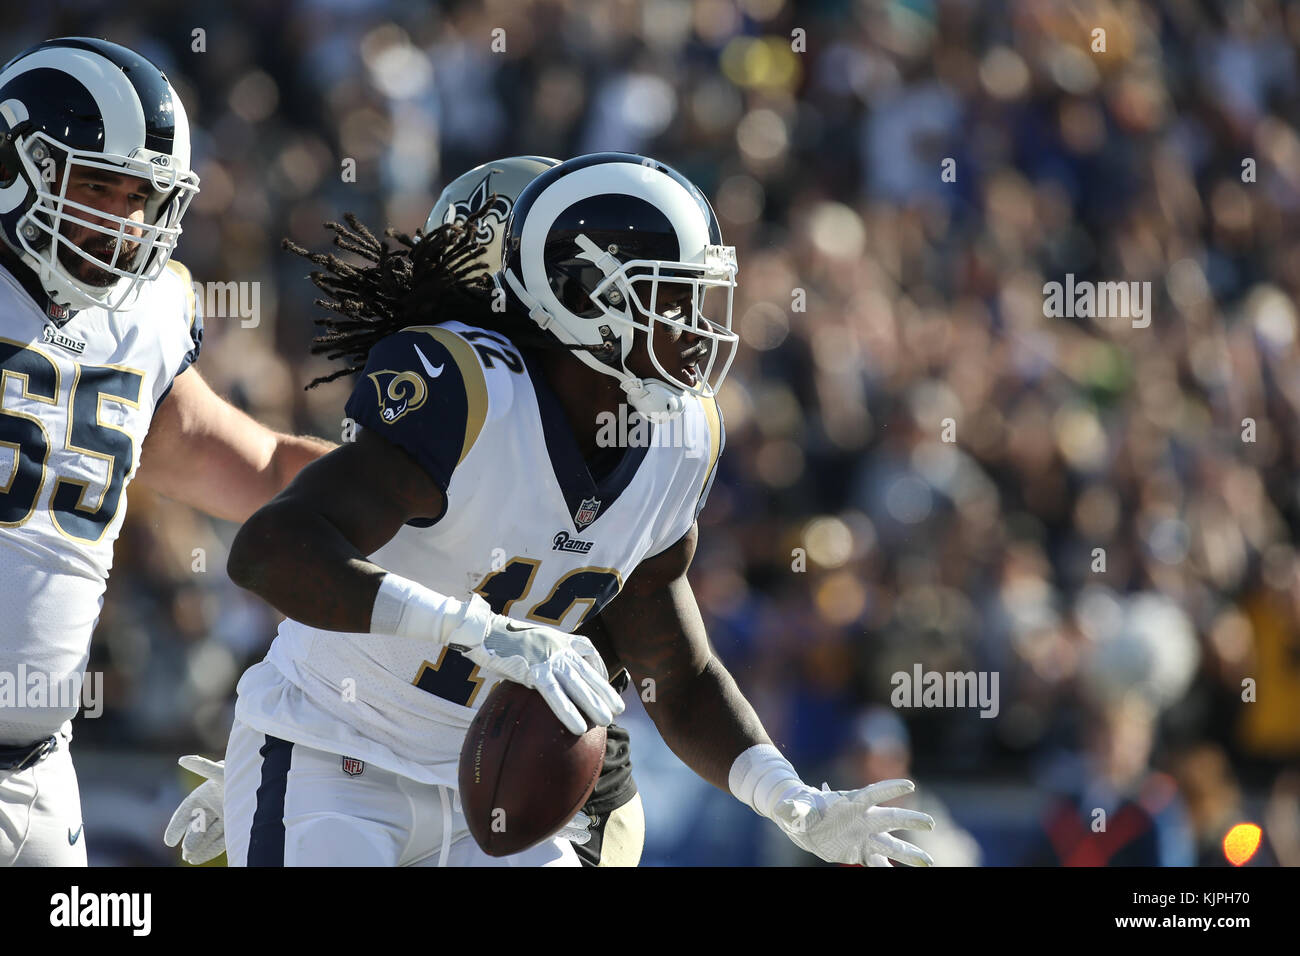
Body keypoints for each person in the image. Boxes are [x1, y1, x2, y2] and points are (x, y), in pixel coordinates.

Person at [211, 150, 936, 867]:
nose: (697, 326)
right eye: (670, 298)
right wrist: (477, 632)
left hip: (489, 792)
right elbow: (269, 550)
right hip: (334, 753)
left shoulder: (682, 437)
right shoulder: (473, 395)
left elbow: (676, 676)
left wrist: (790, 800)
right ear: (586, 296)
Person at [0, 37, 333, 866]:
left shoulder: (144, 313)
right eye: (97, 185)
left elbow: (258, 468)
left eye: (141, 196)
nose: (121, 220)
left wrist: (445, 489)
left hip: (39, 771)